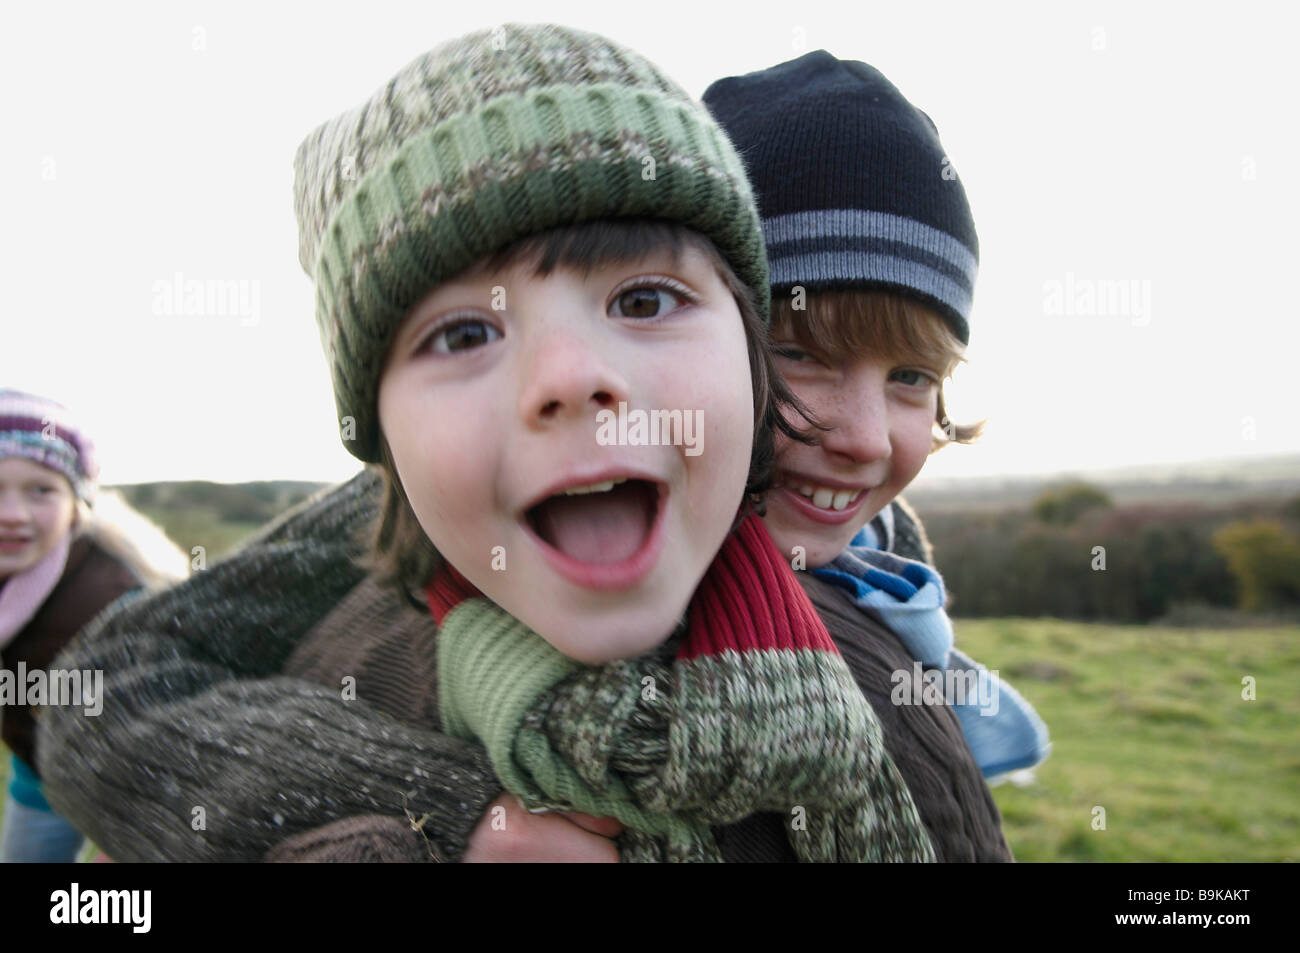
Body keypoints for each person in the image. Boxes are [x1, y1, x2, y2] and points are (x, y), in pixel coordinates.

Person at [41, 24, 949, 862]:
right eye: (465, 334)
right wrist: (454, 806)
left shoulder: (886, 651)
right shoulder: (414, 517)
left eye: (643, 302)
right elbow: (106, 688)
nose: (861, 440)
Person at [703, 51, 1051, 782]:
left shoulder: (893, 567)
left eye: (911, 376)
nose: (863, 438)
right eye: (801, 352)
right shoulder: (574, 583)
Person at [0, 388, 185, 862]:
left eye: (41, 490)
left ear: (77, 501)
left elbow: (164, 734)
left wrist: (125, 845)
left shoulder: (114, 602)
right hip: (38, 768)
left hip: (127, 787)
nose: (13, 515)